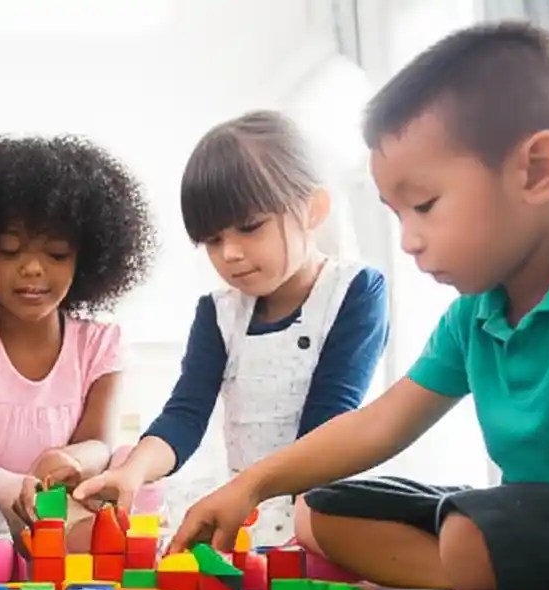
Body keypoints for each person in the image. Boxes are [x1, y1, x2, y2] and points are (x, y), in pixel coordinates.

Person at [168, 22, 549, 590]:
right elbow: (381, 424)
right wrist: (253, 485)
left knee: (473, 535)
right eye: (396, 214)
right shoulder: (476, 310)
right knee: (321, 508)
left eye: (424, 206)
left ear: (537, 170)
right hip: (530, 520)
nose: (409, 240)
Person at [73, 111, 388, 548]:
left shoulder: (354, 291)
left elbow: (331, 419)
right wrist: (132, 471)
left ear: (313, 209)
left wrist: (268, 497)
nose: (231, 254)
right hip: (243, 504)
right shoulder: (219, 312)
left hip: (319, 498)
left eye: (250, 227)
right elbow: (185, 413)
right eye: (213, 240)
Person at [0, 135, 156, 564]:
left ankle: (61, 554)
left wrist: (70, 460)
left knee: (136, 465)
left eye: (57, 253)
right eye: (10, 250)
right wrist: (25, 494)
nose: (33, 268)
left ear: (87, 259)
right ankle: (19, 556)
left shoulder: (100, 344)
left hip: (63, 507)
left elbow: (98, 442)